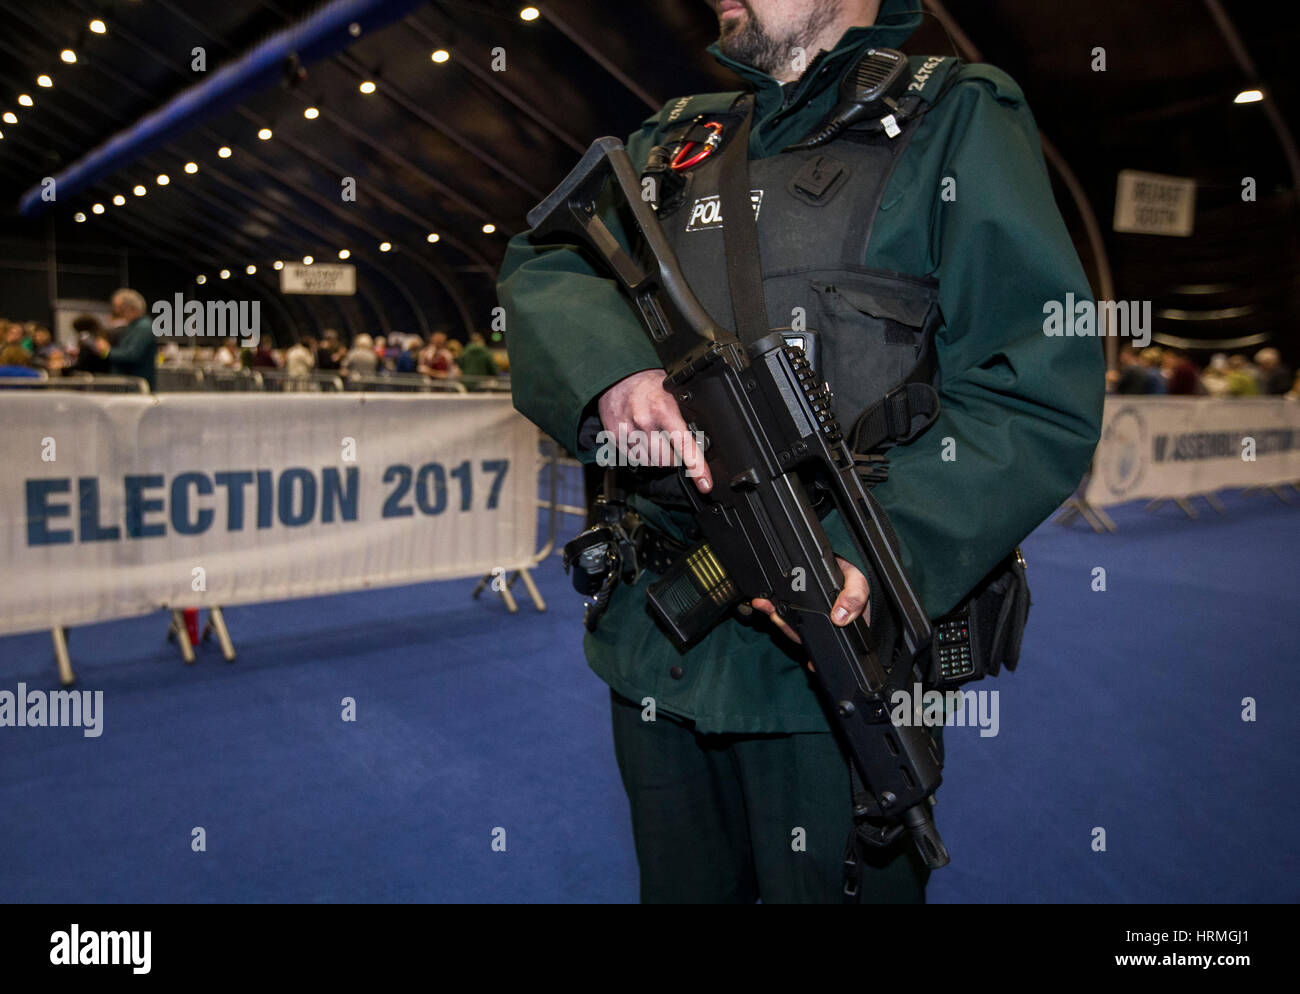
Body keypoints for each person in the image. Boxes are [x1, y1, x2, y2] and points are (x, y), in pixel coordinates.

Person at [499, 0, 1103, 903]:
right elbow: (547, 262)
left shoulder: (958, 115)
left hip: (832, 665)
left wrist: (868, 550)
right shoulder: (678, 134)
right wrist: (615, 371)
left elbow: (1029, 390)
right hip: (660, 647)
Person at [94, 288, 157, 390]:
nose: (118, 312)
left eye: (120, 308)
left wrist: (106, 351)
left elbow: (131, 355)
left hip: (136, 388)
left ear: (130, 308)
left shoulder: (143, 327)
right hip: (129, 386)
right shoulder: (133, 326)